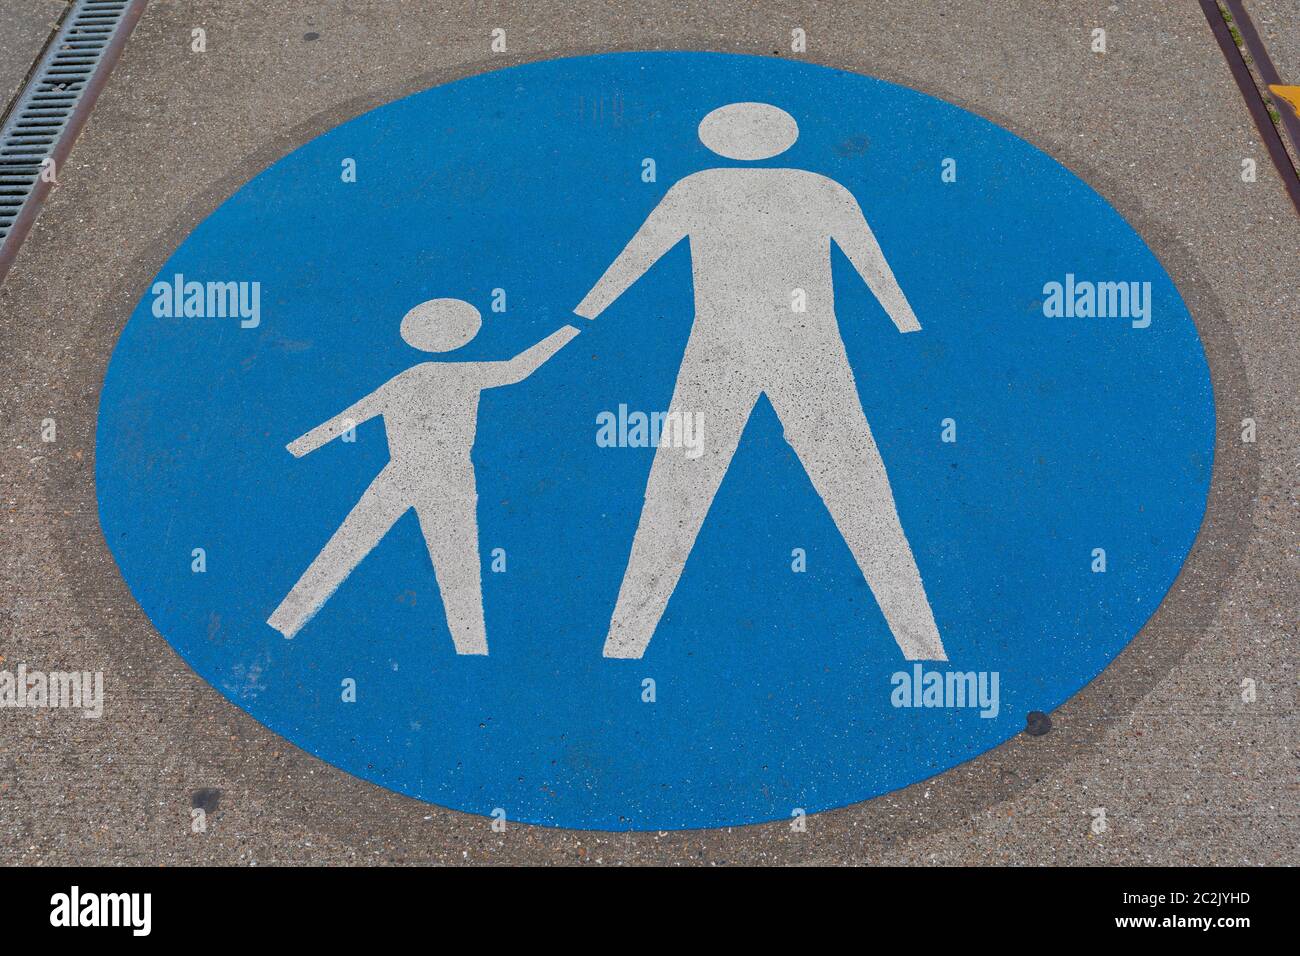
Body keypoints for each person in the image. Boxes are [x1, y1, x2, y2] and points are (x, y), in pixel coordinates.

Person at [575, 102, 947, 662]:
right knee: (857, 481)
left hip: (720, 347)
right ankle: (924, 646)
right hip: (808, 344)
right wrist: (905, 320)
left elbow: (637, 257)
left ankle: (625, 642)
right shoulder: (822, 189)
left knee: (678, 485)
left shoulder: (697, 188)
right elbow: (870, 263)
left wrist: (587, 313)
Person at [267, 297, 579, 654]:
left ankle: (286, 619)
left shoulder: (407, 377)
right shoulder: (466, 373)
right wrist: (568, 330)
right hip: (449, 476)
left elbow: (353, 416)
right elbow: (518, 369)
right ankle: (471, 645)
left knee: (346, 545)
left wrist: (302, 446)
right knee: (457, 562)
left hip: (400, 472)